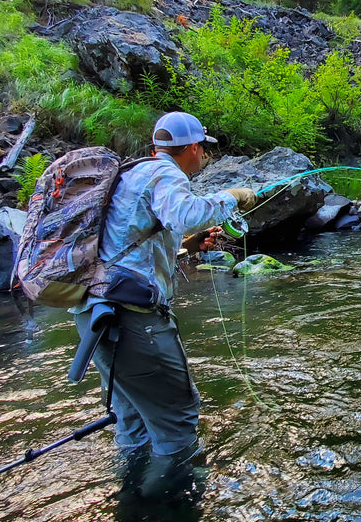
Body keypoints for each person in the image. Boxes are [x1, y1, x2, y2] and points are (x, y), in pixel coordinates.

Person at [71, 111, 258, 497]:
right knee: (177, 421)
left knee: (134, 422)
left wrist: (187, 245)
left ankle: (131, 496)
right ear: (192, 148)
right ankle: (164, 505)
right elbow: (187, 212)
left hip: (95, 314)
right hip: (132, 321)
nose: (204, 156)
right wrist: (233, 196)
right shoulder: (165, 173)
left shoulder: (130, 172)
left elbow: (126, 244)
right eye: (203, 150)